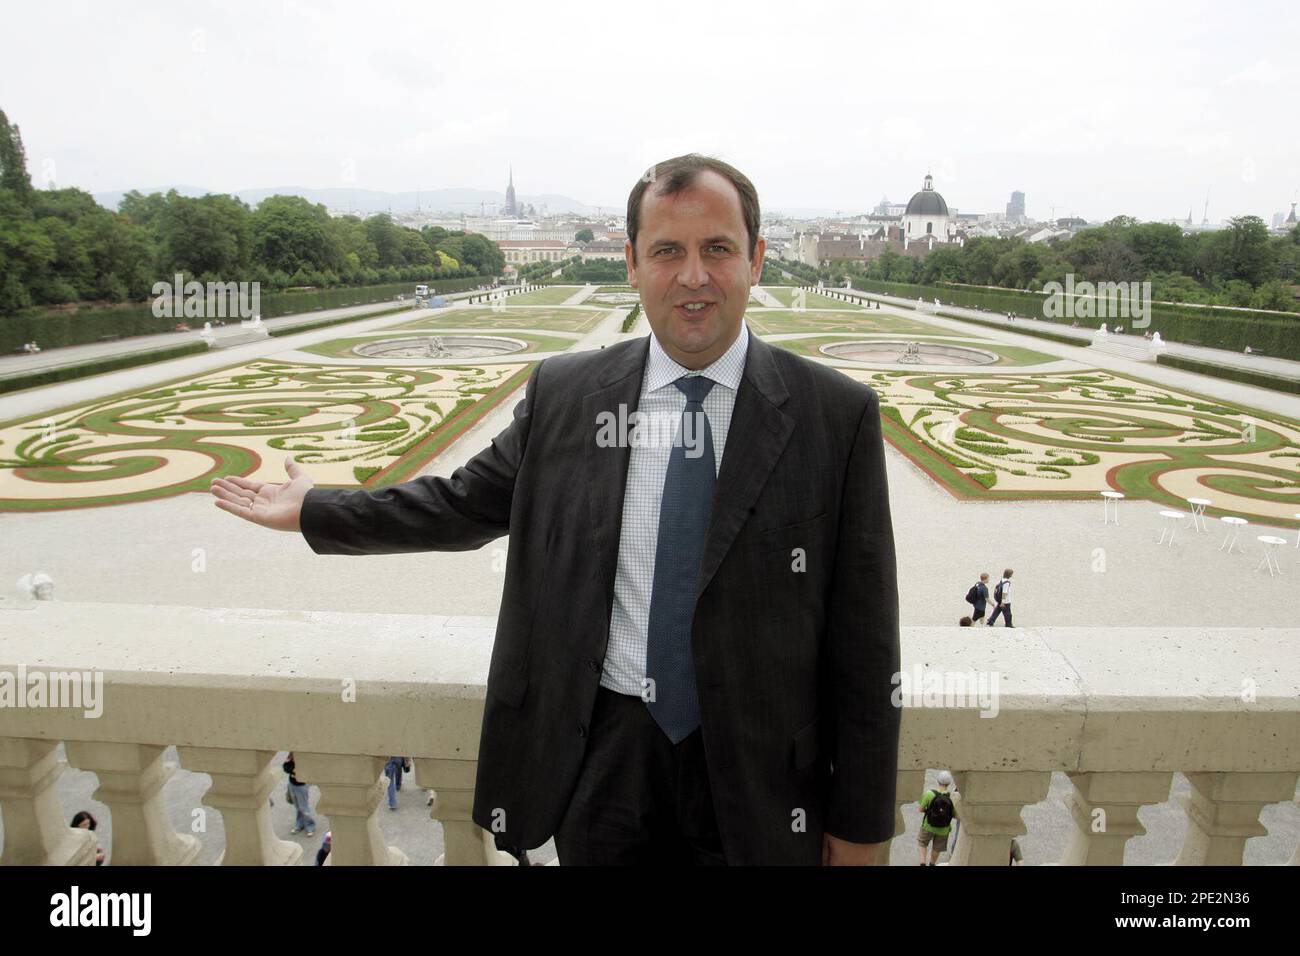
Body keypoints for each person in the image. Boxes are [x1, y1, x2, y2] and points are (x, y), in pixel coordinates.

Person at [210, 153, 901, 866]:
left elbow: (867, 648)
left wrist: (860, 831)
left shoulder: (834, 416)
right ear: (631, 264)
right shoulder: (570, 394)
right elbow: (459, 505)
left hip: (761, 787)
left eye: (717, 249)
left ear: (756, 260)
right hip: (603, 769)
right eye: (667, 251)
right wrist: (317, 510)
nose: (693, 276)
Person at [917, 771, 959, 865]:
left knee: (922, 843)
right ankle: (932, 863)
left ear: (937, 781)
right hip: (944, 829)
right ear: (949, 783)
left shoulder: (929, 794)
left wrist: (930, 812)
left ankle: (922, 863)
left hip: (928, 825)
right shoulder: (952, 796)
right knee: (937, 848)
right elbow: (955, 815)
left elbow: (920, 809)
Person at [282, 752, 315, 836]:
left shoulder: (305, 758)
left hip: (302, 786)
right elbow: (285, 767)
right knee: (298, 807)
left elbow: (311, 769)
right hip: (292, 784)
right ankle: (299, 824)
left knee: (303, 807)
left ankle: (310, 826)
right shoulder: (291, 756)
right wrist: (292, 769)